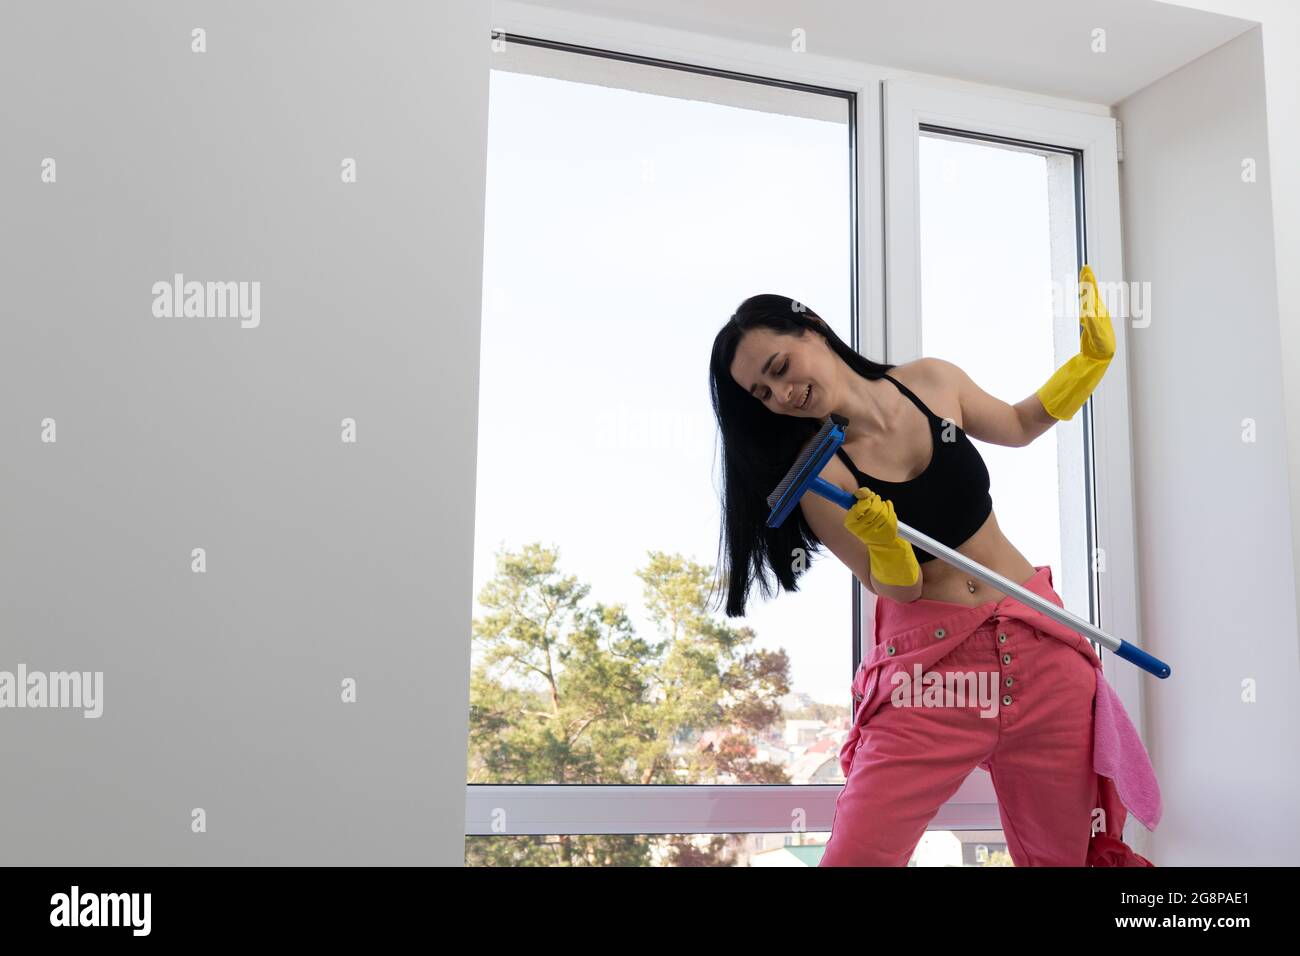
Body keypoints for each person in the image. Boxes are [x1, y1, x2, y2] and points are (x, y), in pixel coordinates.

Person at [706, 267, 1159, 866]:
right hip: (931, 676)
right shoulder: (819, 472)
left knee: (1066, 860)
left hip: (1041, 646)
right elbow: (897, 584)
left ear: (811, 327)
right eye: (762, 394)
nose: (781, 394)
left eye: (780, 368)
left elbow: (1020, 424)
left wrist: (1087, 366)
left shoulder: (931, 382)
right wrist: (886, 544)